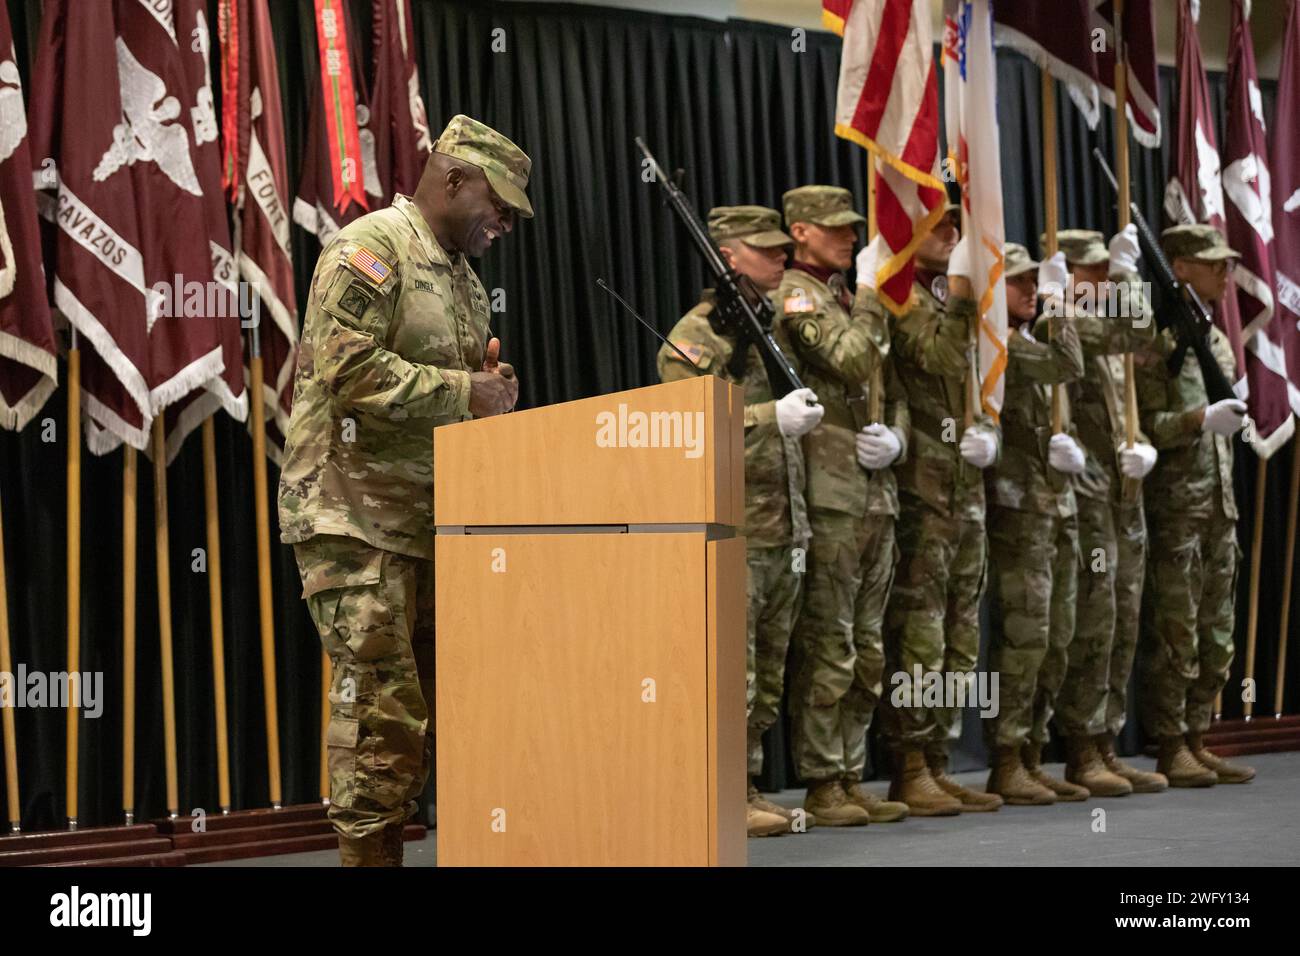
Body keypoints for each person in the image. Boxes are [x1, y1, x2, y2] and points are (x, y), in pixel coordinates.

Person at [278, 115, 530, 865]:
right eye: (500, 203)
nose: (507, 223)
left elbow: (461, 395)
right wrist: (465, 391)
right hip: (354, 519)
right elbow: (344, 371)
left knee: (436, 715)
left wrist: (494, 392)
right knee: (382, 717)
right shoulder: (370, 248)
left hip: (430, 527)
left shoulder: (463, 282)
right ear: (453, 179)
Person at [657, 205, 823, 837]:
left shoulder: (769, 324)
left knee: (769, 677)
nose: (781, 258)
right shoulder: (697, 337)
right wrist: (764, 419)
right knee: (734, 673)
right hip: (731, 529)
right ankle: (719, 792)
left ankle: (745, 785)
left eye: (784, 248)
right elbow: (681, 425)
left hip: (785, 528)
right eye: (766, 249)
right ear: (728, 256)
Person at [777, 185, 911, 827]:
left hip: (875, 494)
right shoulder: (797, 296)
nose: (850, 236)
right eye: (835, 228)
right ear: (799, 232)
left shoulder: (845, 299)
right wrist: (872, 298)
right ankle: (823, 780)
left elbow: (892, 389)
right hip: (828, 495)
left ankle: (852, 772)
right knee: (831, 643)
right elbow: (852, 359)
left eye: (853, 228)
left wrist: (901, 437)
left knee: (868, 646)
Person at [879, 206, 1004, 815]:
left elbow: (979, 379)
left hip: (965, 494)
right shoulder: (903, 299)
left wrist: (989, 434)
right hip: (922, 493)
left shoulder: (959, 304)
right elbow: (943, 359)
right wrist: (959, 290)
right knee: (920, 637)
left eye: (957, 228)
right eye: (940, 226)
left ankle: (937, 759)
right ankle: (907, 763)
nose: (953, 236)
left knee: (959, 635)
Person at [1048, 227, 1166, 795]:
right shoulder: (1067, 321)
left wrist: (1142, 443)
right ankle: (1081, 742)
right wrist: (1129, 280)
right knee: (1094, 618)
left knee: (1123, 616)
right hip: (1086, 486)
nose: (1098, 280)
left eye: (1103, 269)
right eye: (1089, 271)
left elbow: (1147, 338)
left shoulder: (1106, 325)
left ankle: (1108, 739)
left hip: (1123, 484)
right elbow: (1133, 325)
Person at [1137, 223, 1255, 787]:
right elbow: (1145, 428)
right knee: (1175, 629)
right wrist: (1197, 420)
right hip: (1178, 506)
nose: (1225, 273)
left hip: (1219, 503)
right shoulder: (1159, 341)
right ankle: (1170, 743)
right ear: (1178, 267)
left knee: (1217, 632)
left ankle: (1199, 735)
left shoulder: (1214, 339)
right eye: (1213, 263)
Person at [981, 242, 1087, 805]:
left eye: (1032, 284)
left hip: (1054, 503)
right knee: (1024, 638)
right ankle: (1006, 755)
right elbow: (1067, 363)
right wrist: (1058, 302)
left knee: (1056, 635)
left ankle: (1032, 751)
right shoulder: (999, 345)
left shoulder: (1025, 341)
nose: (1027, 293)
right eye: (1017, 284)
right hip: (1020, 505)